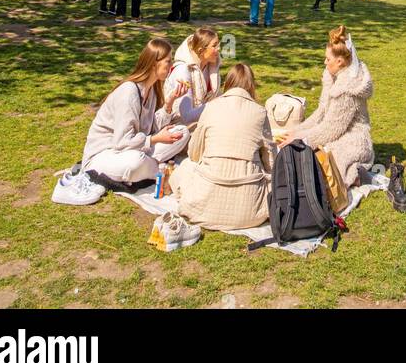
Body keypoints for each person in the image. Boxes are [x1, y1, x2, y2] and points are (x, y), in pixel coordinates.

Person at [168, 63, 276, 230]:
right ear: (251, 86)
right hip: (249, 208)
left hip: (206, 198)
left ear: (228, 83)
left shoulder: (211, 107)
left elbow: (194, 154)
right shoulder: (260, 112)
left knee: (184, 167)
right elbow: (271, 161)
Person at [82, 37, 190, 190]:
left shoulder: (151, 90)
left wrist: (170, 101)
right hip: (106, 154)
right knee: (136, 162)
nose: (171, 66)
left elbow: (151, 127)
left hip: (136, 148)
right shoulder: (129, 92)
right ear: (154, 63)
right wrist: (154, 139)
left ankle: (151, 169)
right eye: (168, 61)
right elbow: (121, 142)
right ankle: (162, 171)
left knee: (181, 132)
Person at [279, 25, 373, 188]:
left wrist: (302, 139)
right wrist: (296, 132)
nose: (324, 62)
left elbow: (332, 128)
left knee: (324, 167)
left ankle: (358, 174)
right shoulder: (333, 77)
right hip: (337, 131)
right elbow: (321, 112)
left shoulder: (347, 89)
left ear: (340, 61)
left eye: (327, 59)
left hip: (352, 139)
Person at [164, 27, 221, 125]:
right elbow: (185, 116)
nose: (218, 49)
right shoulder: (183, 70)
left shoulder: (211, 67)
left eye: (218, 44)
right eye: (214, 46)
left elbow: (215, 96)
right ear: (201, 50)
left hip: (203, 120)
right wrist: (217, 105)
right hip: (178, 126)